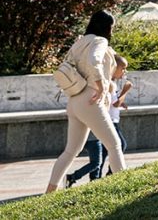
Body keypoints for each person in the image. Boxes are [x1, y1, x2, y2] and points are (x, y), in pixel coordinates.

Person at [46, 11, 126, 193]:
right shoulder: (99, 40)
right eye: (111, 27)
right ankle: (125, 189)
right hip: (90, 99)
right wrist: (100, 86)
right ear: (106, 27)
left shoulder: (80, 42)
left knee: (70, 151)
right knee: (114, 145)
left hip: (74, 100)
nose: (112, 31)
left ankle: (49, 192)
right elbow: (94, 60)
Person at [65, 54, 131, 187]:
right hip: (109, 121)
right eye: (122, 68)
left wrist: (121, 100)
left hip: (110, 120)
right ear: (114, 67)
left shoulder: (110, 83)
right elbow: (115, 104)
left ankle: (97, 178)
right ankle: (109, 176)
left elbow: (113, 102)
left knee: (105, 153)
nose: (124, 72)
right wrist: (126, 90)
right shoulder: (109, 83)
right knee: (119, 146)